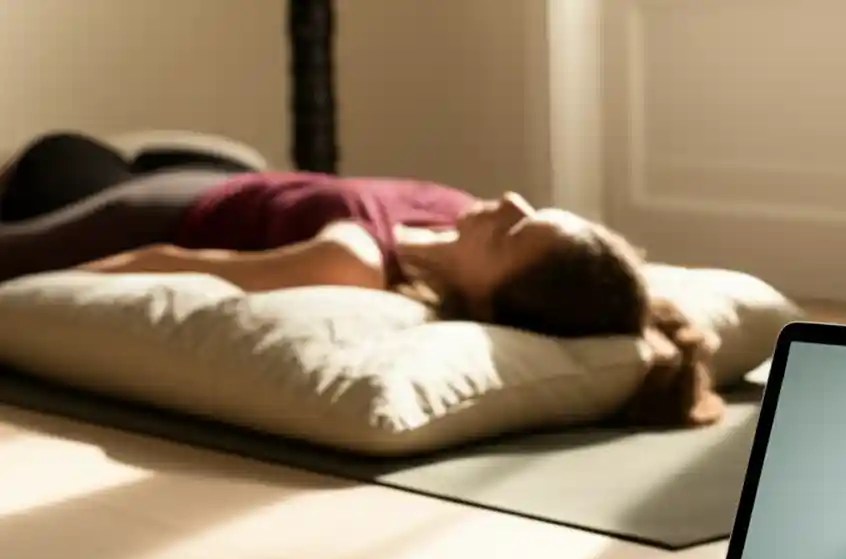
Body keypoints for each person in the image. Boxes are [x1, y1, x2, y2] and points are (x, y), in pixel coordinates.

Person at [0, 131, 725, 428]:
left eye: (511, 232)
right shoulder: (456, 219)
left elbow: (157, 264)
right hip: (234, 174)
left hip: (151, 212)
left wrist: (32, 290)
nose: (507, 203)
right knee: (144, 145)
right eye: (534, 210)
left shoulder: (350, 264)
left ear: (484, 301)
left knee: (53, 158)